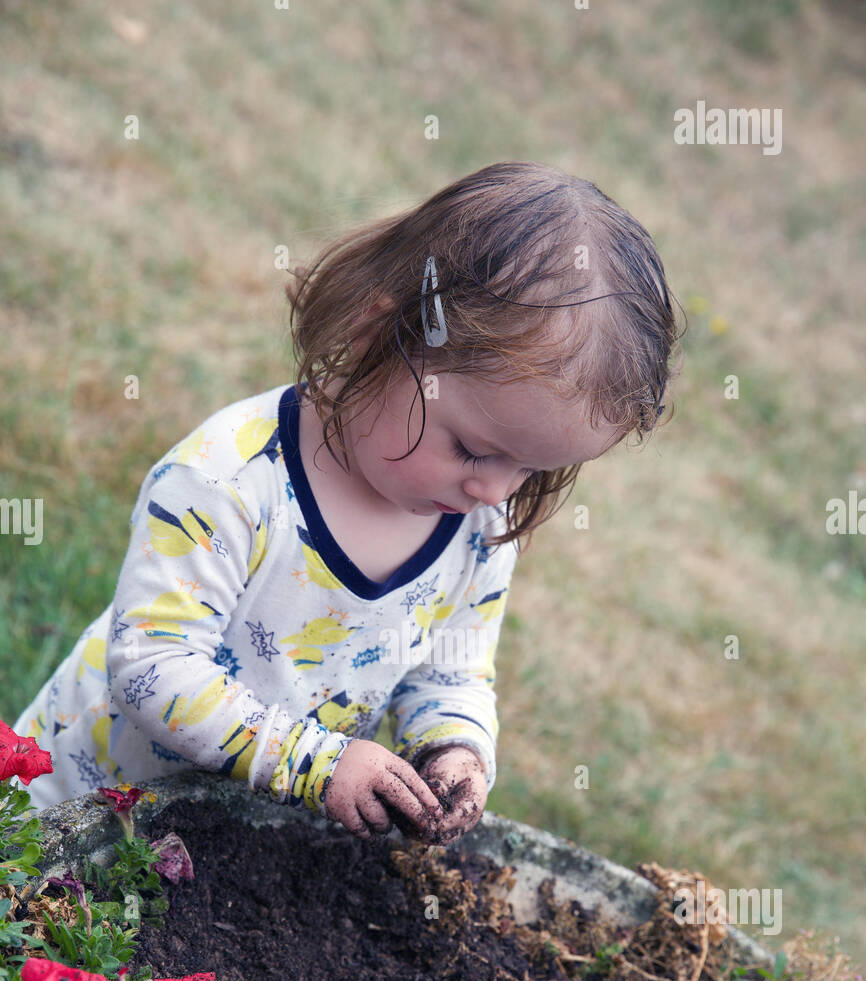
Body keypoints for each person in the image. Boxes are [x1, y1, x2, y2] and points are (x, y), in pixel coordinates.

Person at [10, 161, 680, 845]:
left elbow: (451, 669)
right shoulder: (228, 483)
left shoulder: (475, 525)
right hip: (82, 816)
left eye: (534, 470)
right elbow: (153, 668)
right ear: (376, 336)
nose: (496, 491)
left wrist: (456, 748)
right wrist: (315, 763)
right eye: (475, 450)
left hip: (236, 845)